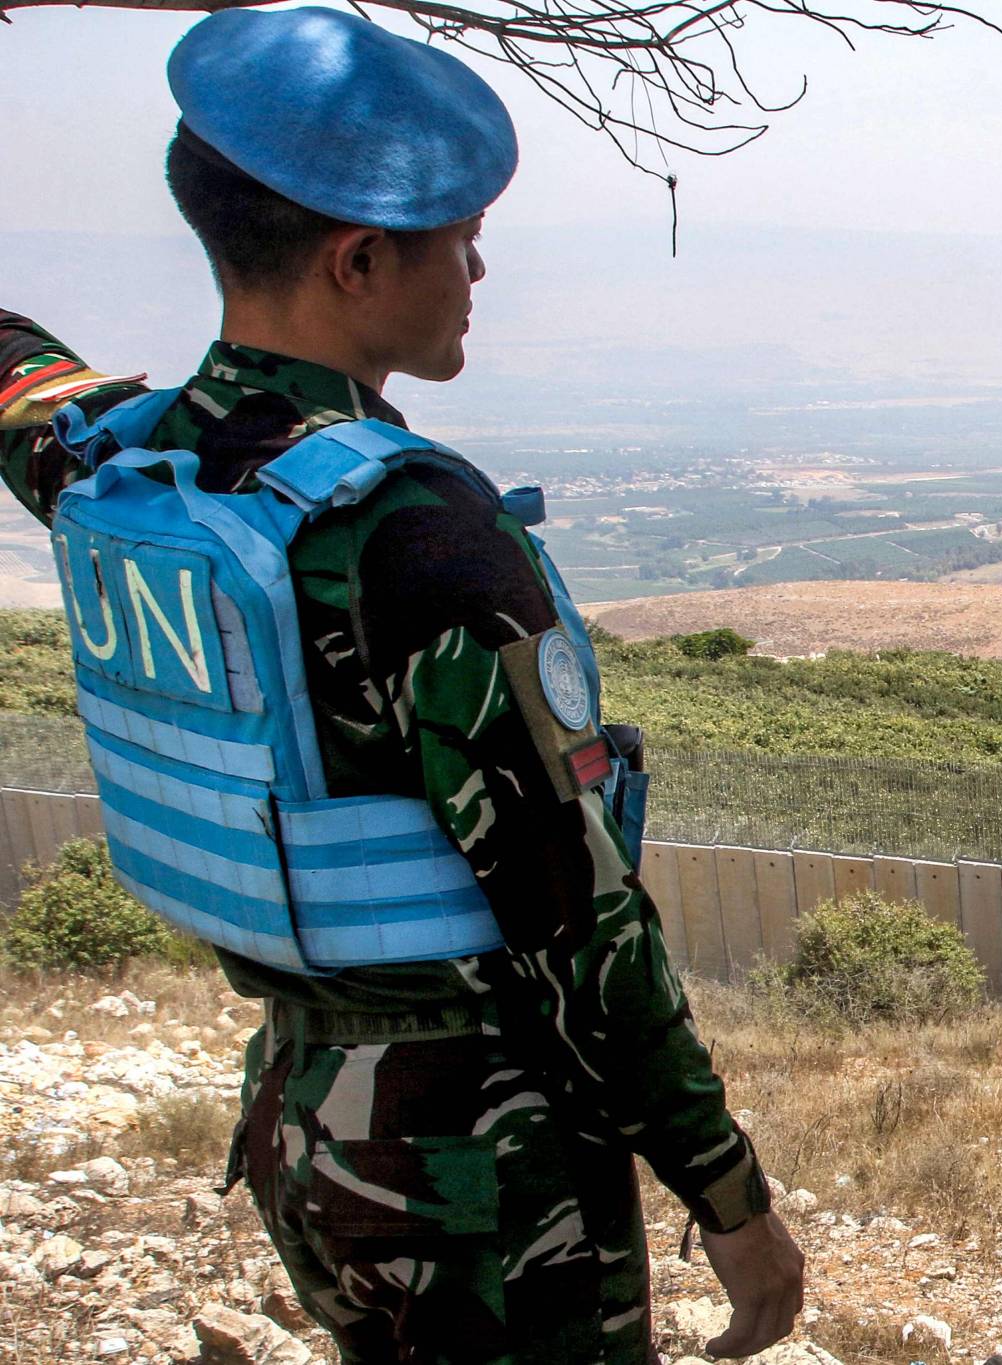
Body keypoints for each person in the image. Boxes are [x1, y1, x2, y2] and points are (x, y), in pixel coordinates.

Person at [0, 8, 803, 1361]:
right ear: (359, 260)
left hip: (305, 1119)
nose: (478, 269)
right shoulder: (420, 535)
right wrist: (729, 1197)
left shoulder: (132, 467)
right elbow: (576, 923)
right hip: (479, 1164)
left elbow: (24, 383)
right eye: (457, 238)